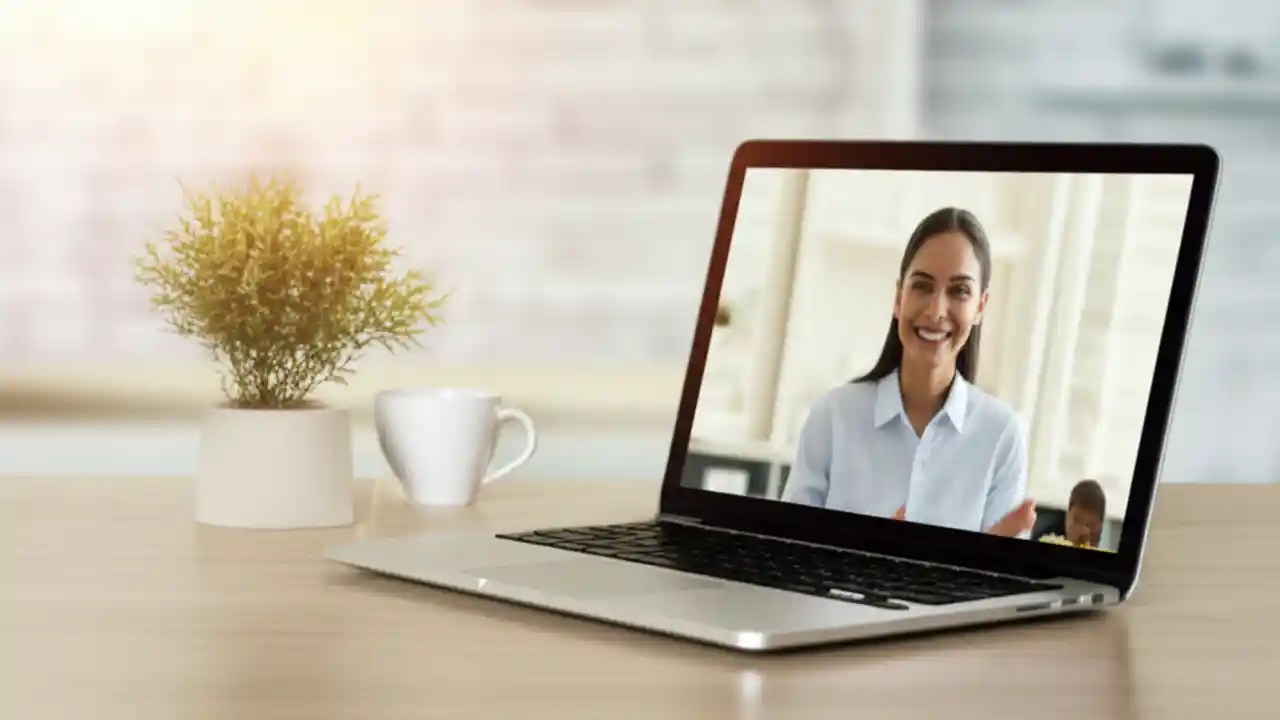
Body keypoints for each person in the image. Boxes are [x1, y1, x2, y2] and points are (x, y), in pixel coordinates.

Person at [781, 207, 1035, 537]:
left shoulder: (1002, 435)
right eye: (922, 286)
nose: (936, 311)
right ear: (898, 297)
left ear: (980, 308)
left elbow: (1000, 580)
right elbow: (789, 554)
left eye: (959, 291)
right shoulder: (834, 417)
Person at [1034, 480, 1107, 547]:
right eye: (1077, 521)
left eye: (1090, 525)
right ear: (1068, 514)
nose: (1083, 531)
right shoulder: (1043, 532)